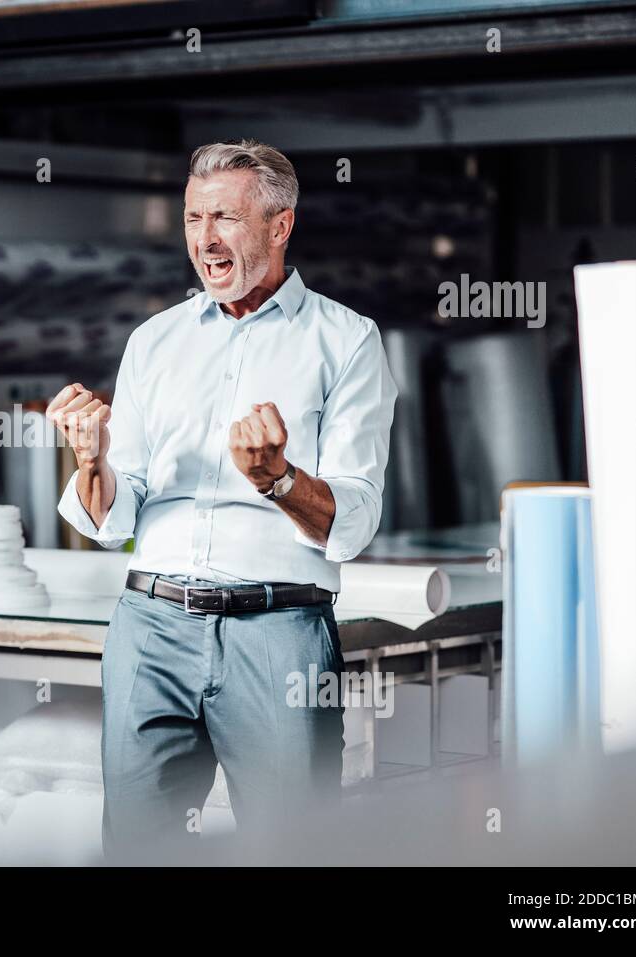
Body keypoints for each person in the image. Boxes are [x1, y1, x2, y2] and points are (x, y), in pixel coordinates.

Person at [48, 140, 397, 862]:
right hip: (149, 626)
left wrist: (278, 479)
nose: (205, 241)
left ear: (280, 225)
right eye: (192, 218)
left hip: (278, 632)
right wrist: (92, 460)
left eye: (226, 219)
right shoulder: (153, 342)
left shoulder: (348, 341)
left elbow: (356, 519)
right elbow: (117, 516)